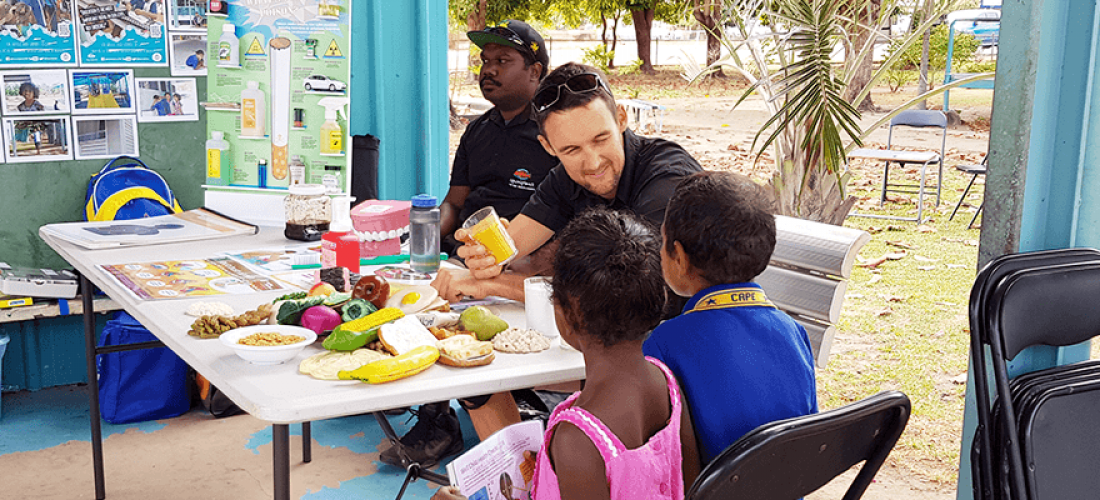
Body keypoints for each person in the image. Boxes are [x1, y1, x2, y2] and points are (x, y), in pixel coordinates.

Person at [379, 19, 557, 470]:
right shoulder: (479, 131)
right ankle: (434, 415)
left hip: (526, 268)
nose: (489, 70)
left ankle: (452, 424)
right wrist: (425, 235)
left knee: (450, 321)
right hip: (465, 258)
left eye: (503, 61)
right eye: (484, 61)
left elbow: (561, 219)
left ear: (535, 72)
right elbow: (455, 203)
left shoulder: (552, 133)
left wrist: (521, 266)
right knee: (411, 306)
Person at [432, 207, 701, 500]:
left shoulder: (578, 438)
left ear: (563, 311)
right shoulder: (667, 383)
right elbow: (691, 487)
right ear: (658, 298)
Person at [432, 63, 702, 303]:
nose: (593, 162)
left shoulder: (667, 174)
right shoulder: (565, 177)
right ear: (548, 147)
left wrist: (495, 284)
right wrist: (482, 258)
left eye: (601, 139)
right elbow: (508, 248)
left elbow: (632, 289)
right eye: (572, 150)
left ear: (621, 118)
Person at [643, 171, 818, 465]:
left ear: (680, 257)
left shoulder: (664, 343)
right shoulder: (793, 331)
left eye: (662, 243)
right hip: (790, 486)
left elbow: (650, 447)